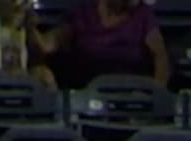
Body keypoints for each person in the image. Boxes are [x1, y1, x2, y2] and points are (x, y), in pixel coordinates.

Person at [37, 0, 170, 89]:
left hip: (133, 92)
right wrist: (28, 25)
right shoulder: (82, 14)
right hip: (89, 92)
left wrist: (157, 95)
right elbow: (47, 45)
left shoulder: (142, 14)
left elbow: (160, 57)